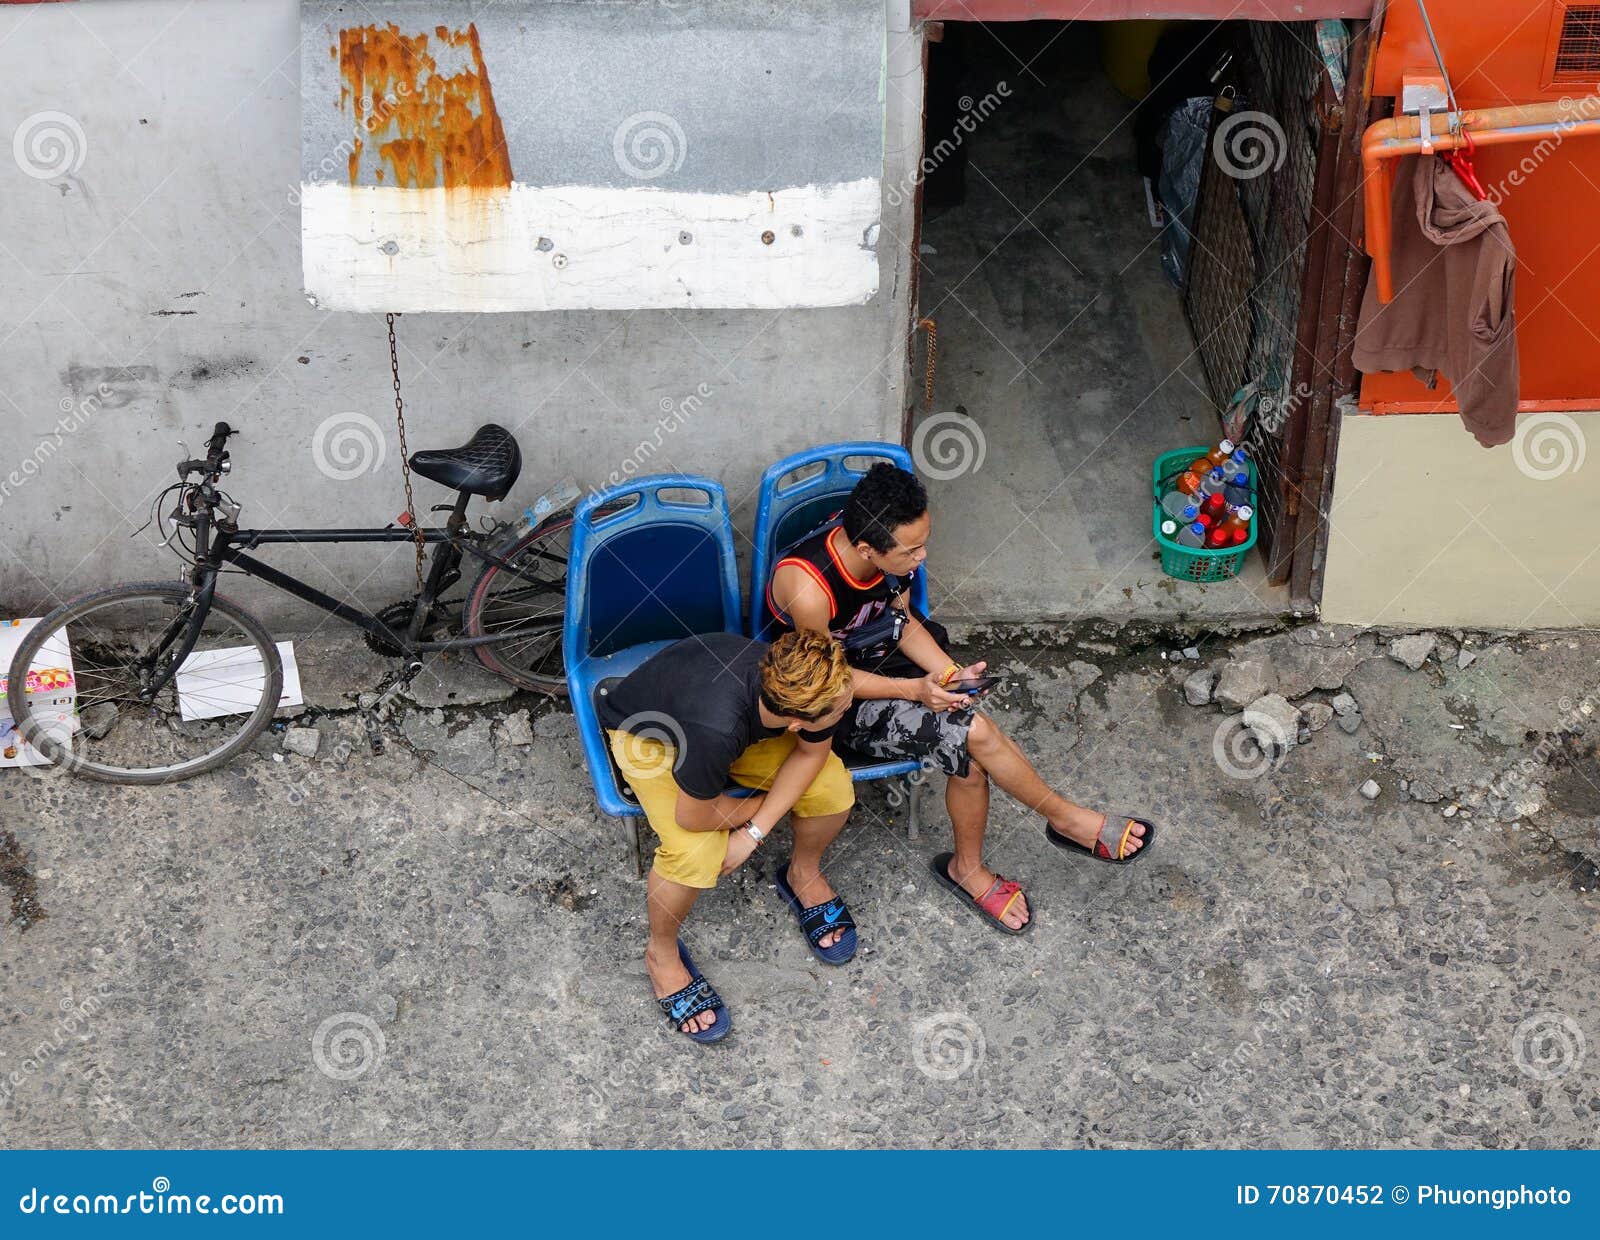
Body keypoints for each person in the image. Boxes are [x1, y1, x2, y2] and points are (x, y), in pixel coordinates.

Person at [766, 463, 1156, 935]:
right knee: (971, 733)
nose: (923, 557)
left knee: (964, 740)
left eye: (924, 541)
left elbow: (902, 622)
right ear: (868, 549)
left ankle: (984, 860)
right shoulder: (809, 587)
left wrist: (946, 673)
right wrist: (915, 690)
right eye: (912, 550)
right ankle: (1056, 823)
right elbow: (826, 681)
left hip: (883, 659)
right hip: (833, 697)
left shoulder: (887, 556)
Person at [598, 629, 857, 1043]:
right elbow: (695, 814)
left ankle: (802, 874)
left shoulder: (801, 685)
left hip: (720, 731)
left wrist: (754, 831)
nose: (848, 706)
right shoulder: (717, 725)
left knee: (831, 788)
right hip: (652, 737)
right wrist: (777, 801)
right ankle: (661, 953)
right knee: (692, 852)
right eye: (840, 709)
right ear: (796, 722)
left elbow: (813, 753)